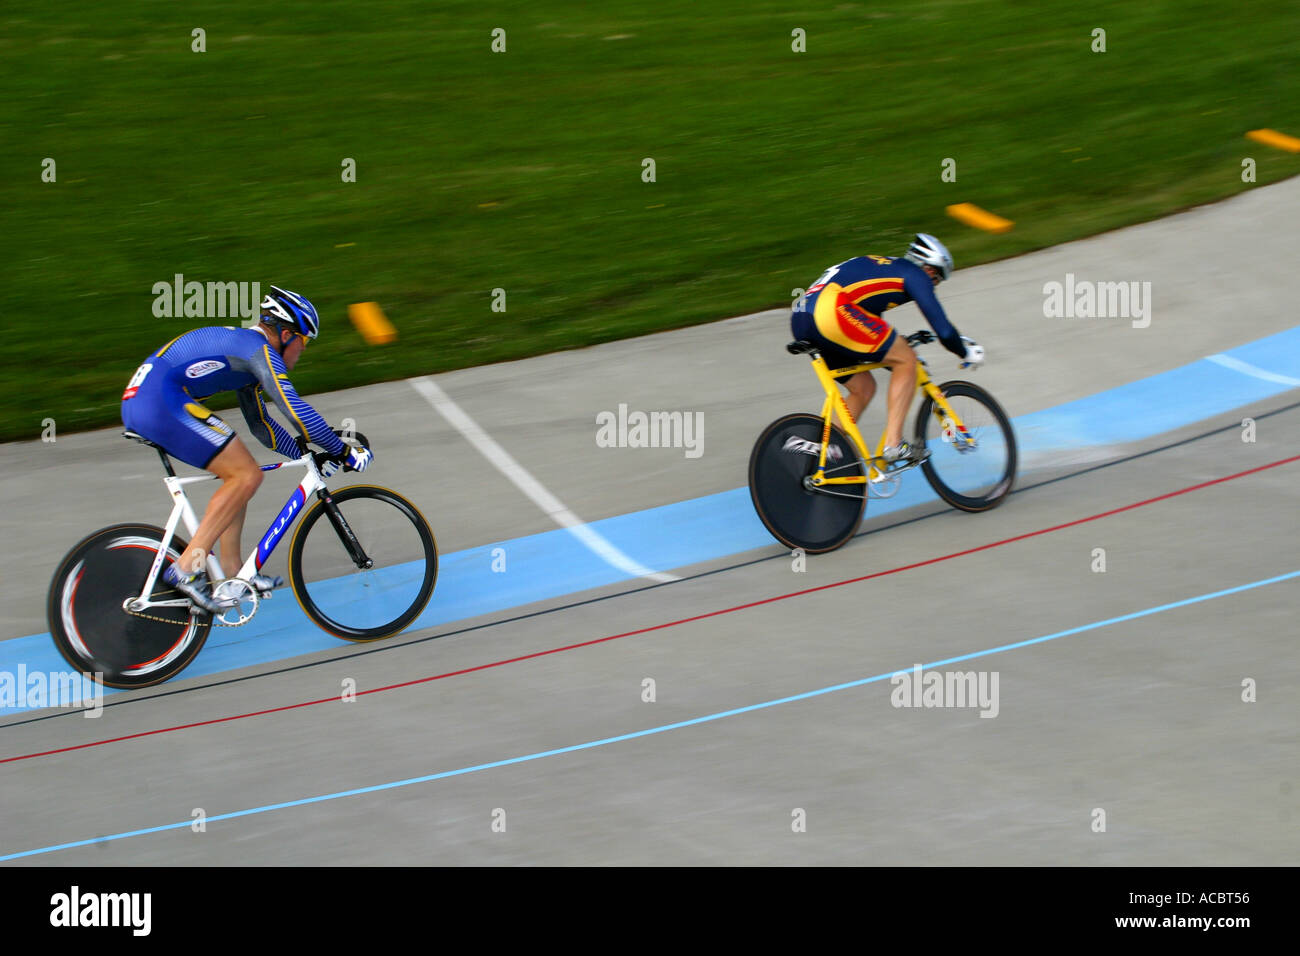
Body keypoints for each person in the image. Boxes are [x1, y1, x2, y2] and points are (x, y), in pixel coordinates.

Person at [120, 286, 373, 612]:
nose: (302, 352)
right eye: (304, 342)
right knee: (246, 475)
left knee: (239, 475)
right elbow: (292, 408)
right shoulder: (260, 351)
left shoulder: (246, 354)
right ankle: (186, 568)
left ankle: (233, 576)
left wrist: (306, 456)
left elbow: (262, 426)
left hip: (150, 399)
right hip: (159, 401)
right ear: (286, 334)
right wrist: (343, 451)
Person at [790, 233, 984, 463]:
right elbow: (944, 330)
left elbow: (870, 329)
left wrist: (896, 358)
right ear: (930, 270)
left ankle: (824, 449)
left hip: (804, 317)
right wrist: (965, 351)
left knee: (864, 387)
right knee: (906, 358)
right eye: (937, 280)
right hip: (830, 311)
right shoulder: (915, 274)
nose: (934, 287)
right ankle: (894, 444)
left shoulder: (885, 268)